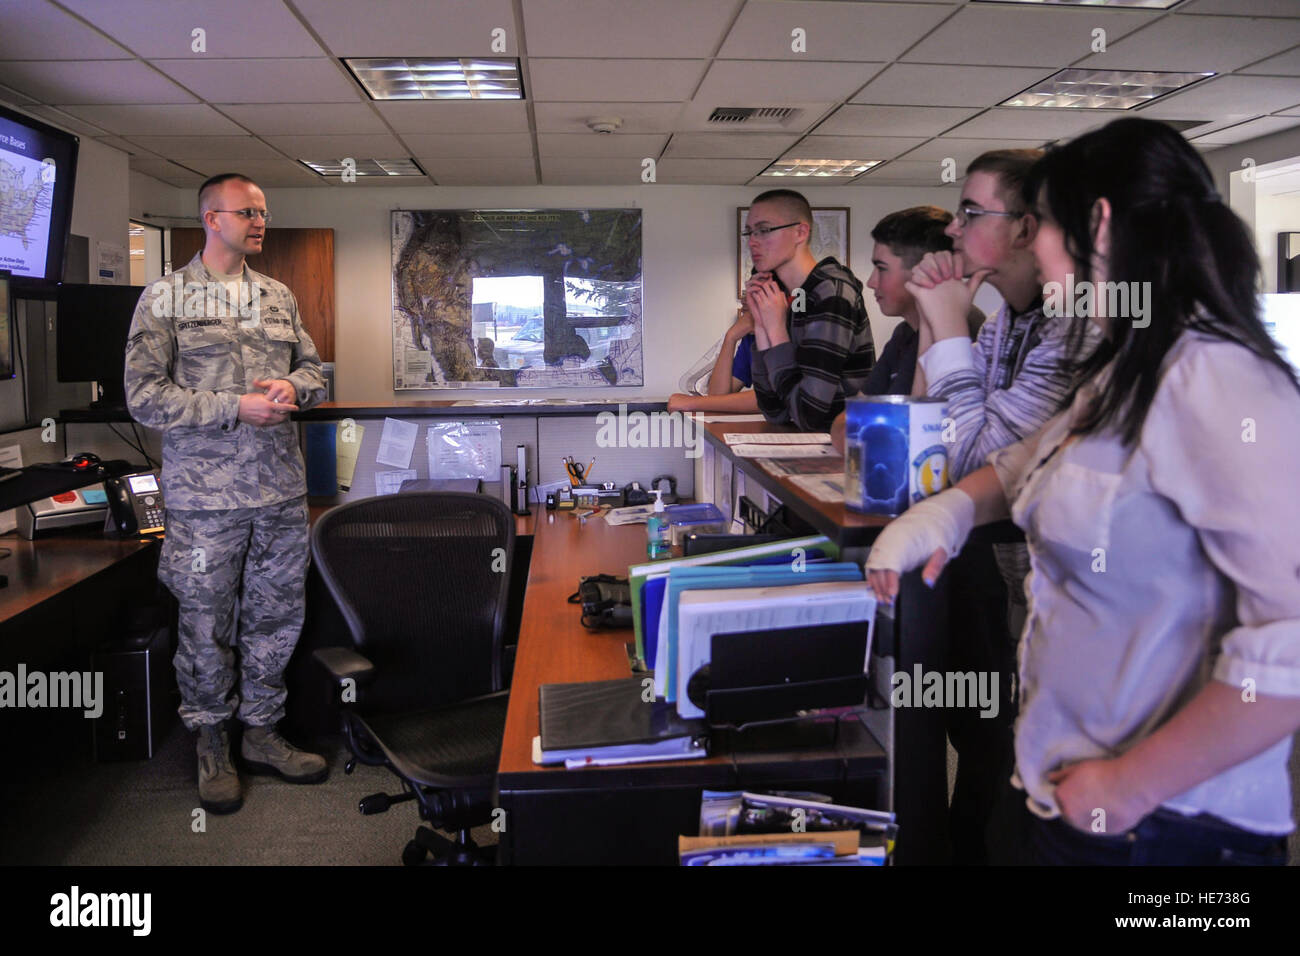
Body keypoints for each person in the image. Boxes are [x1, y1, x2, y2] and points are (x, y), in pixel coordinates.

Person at [866, 117, 1300, 865]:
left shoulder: (1217, 379)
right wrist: (949, 512)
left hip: (1164, 826)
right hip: (1071, 792)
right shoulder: (1124, 367)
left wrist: (1130, 785)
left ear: (1096, 224)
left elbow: (1290, 637)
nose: (1033, 245)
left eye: (1042, 227)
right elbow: (1024, 466)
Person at [125, 172, 329, 815]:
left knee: (275, 618)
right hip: (203, 499)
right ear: (212, 218)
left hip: (277, 491)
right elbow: (143, 396)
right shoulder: (166, 297)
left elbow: (315, 369)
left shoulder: (277, 294)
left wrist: (298, 388)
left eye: (263, 212)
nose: (260, 222)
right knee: (206, 621)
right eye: (248, 212)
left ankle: (263, 732)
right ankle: (212, 742)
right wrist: (230, 406)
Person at [744, 189, 874, 431]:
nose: (752, 241)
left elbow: (809, 415)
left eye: (763, 230)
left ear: (800, 232)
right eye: (750, 232)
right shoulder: (790, 295)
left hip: (845, 450)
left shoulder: (832, 292)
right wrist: (761, 327)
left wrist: (777, 331)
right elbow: (773, 411)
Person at [666, 302, 761, 414]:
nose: (744, 301)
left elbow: (773, 398)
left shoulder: (785, 333)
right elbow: (717, 396)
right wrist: (730, 337)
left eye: (755, 292)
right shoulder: (751, 340)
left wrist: (693, 402)